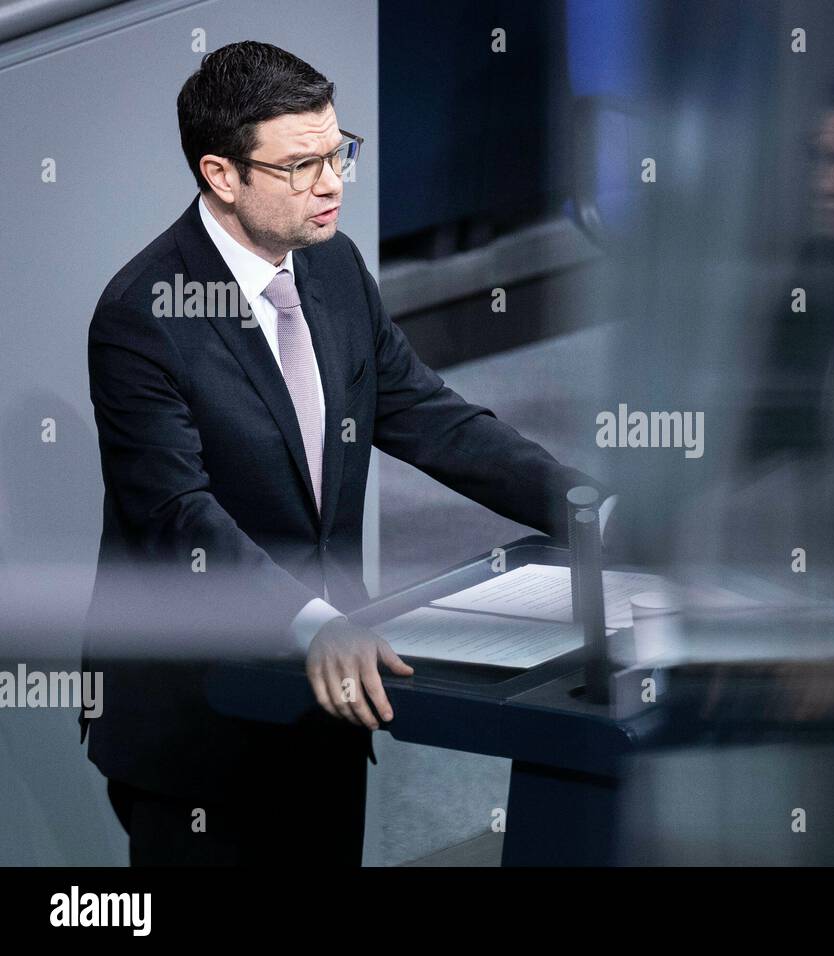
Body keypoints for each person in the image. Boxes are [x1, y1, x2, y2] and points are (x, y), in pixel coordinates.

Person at [80, 41, 608, 865]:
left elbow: (429, 415)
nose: (332, 183)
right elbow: (175, 515)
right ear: (222, 174)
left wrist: (588, 506)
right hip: (202, 726)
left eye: (338, 153)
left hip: (329, 701)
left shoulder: (332, 264)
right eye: (301, 165)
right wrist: (311, 623)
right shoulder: (142, 316)